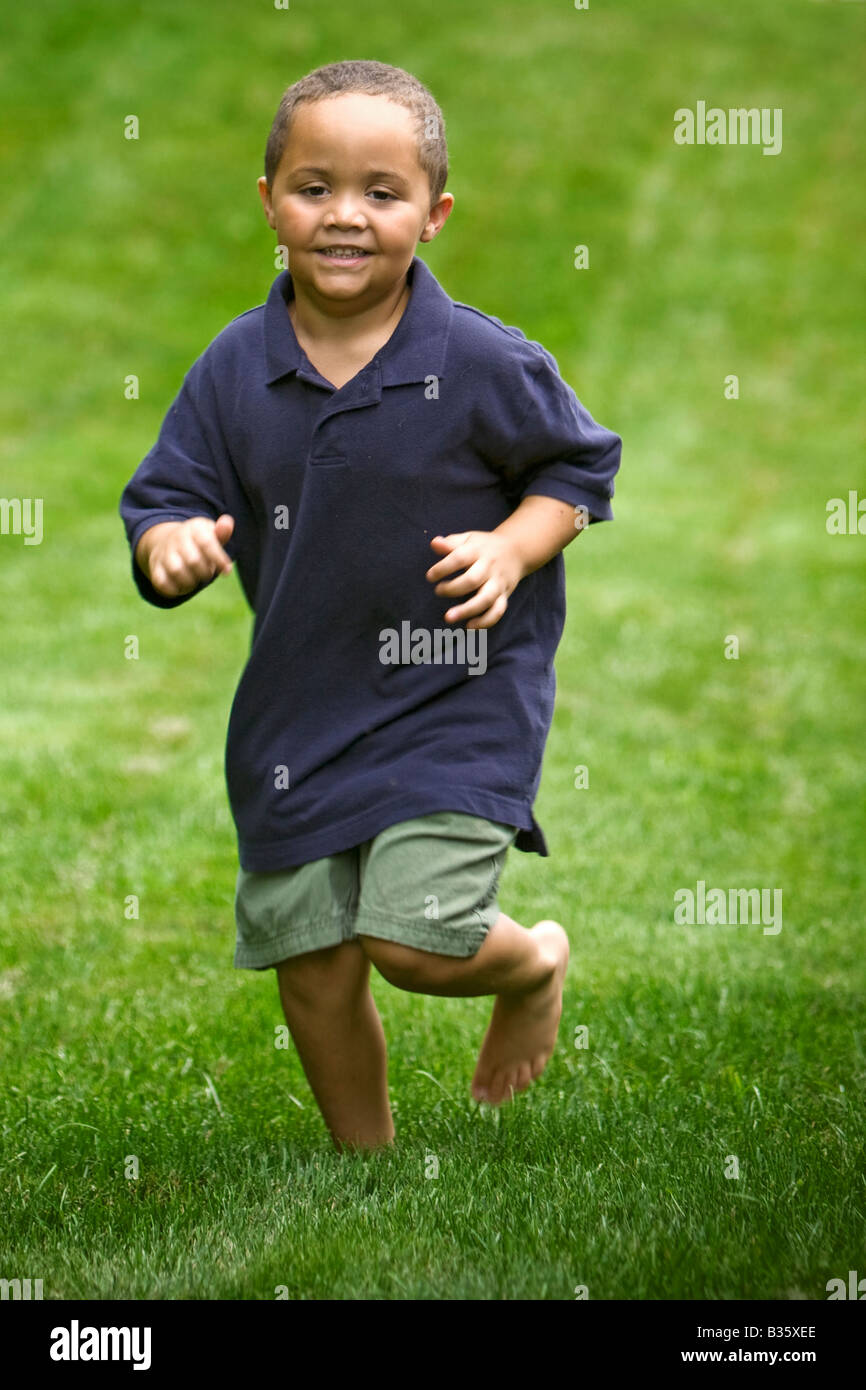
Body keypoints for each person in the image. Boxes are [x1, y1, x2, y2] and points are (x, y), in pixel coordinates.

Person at [119, 59, 622, 1154]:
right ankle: (365, 1161)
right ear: (268, 201)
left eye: (381, 192)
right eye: (314, 185)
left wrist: (511, 544)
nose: (344, 215)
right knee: (312, 962)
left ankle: (530, 961)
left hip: (455, 697)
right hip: (298, 715)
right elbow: (167, 494)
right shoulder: (233, 369)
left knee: (416, 939)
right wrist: (170, 546)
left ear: (433, 215)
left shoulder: (483, 360)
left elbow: (577, 475)